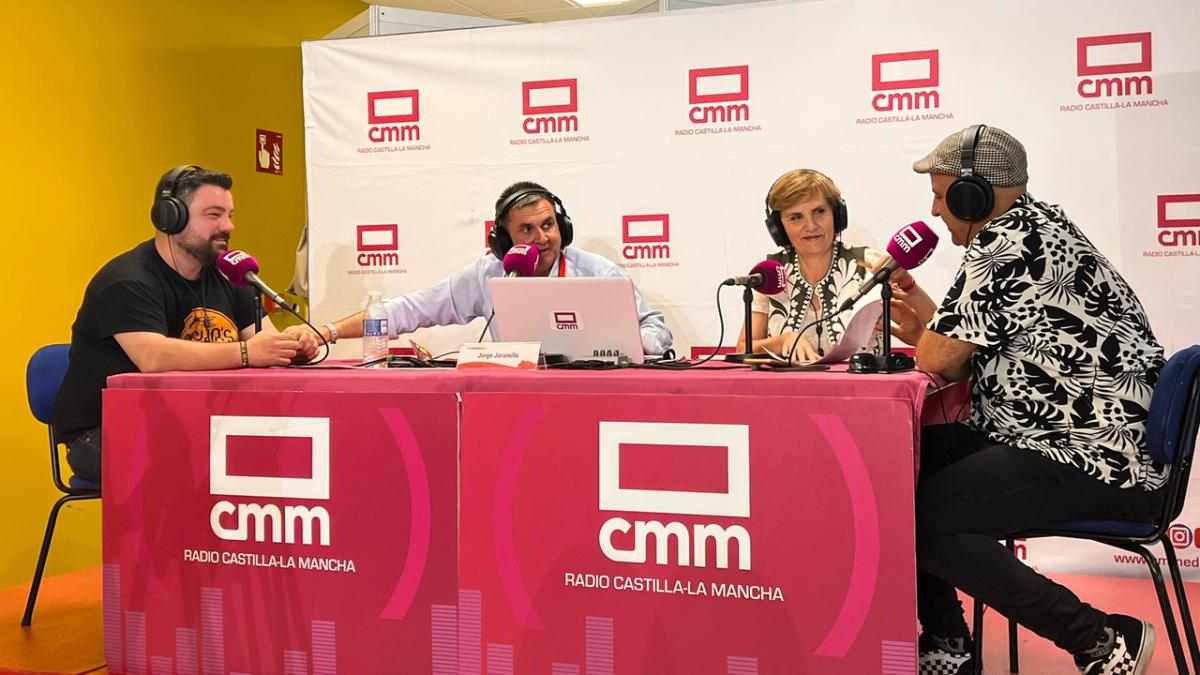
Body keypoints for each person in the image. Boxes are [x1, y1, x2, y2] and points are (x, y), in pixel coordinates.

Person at [888, 125, 1165, 674]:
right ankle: (948, 642)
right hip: (1056, 435)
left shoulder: (1007, 242)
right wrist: (927, 319)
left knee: (916, 517)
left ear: (976, 195)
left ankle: (1101, 637)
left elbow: (938, 359)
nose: (938, 211)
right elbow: (958, 347)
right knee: (895, 470)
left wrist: (926, 337)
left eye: (944, 196)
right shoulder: (1036, 225)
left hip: (1091, 456)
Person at [52, 166, 319, 484]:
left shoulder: (229, 276)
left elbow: (265, 342)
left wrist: (292, 345)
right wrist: (249, 353)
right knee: (206, 468)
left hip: (198, 425)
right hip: (104, 431)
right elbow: (154, 357)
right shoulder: (126, 280)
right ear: (170, 217)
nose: (227, 226)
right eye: (213, 215)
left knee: (284, 451)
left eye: (230, 215)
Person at [296, 181, 673, 355]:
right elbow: (409, 310)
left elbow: (656, 329)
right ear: (503, 241)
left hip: (595, 399)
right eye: (526, 229)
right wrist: (327, 332)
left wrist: (629, 343)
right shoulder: (491, 274)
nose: (542, 238)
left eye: (548, 225)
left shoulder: (598, 272)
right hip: (517, 403)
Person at [735, 169, 885, 362]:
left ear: (837, 215)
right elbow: (742, 348)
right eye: (796, 217)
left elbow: (921, 329)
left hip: (861, 390)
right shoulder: (770, 274)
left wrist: (909, 287)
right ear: (778, 228)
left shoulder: (870, 264)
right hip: (791, 390)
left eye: (819, 212)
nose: (811, 226)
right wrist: (783, 341)